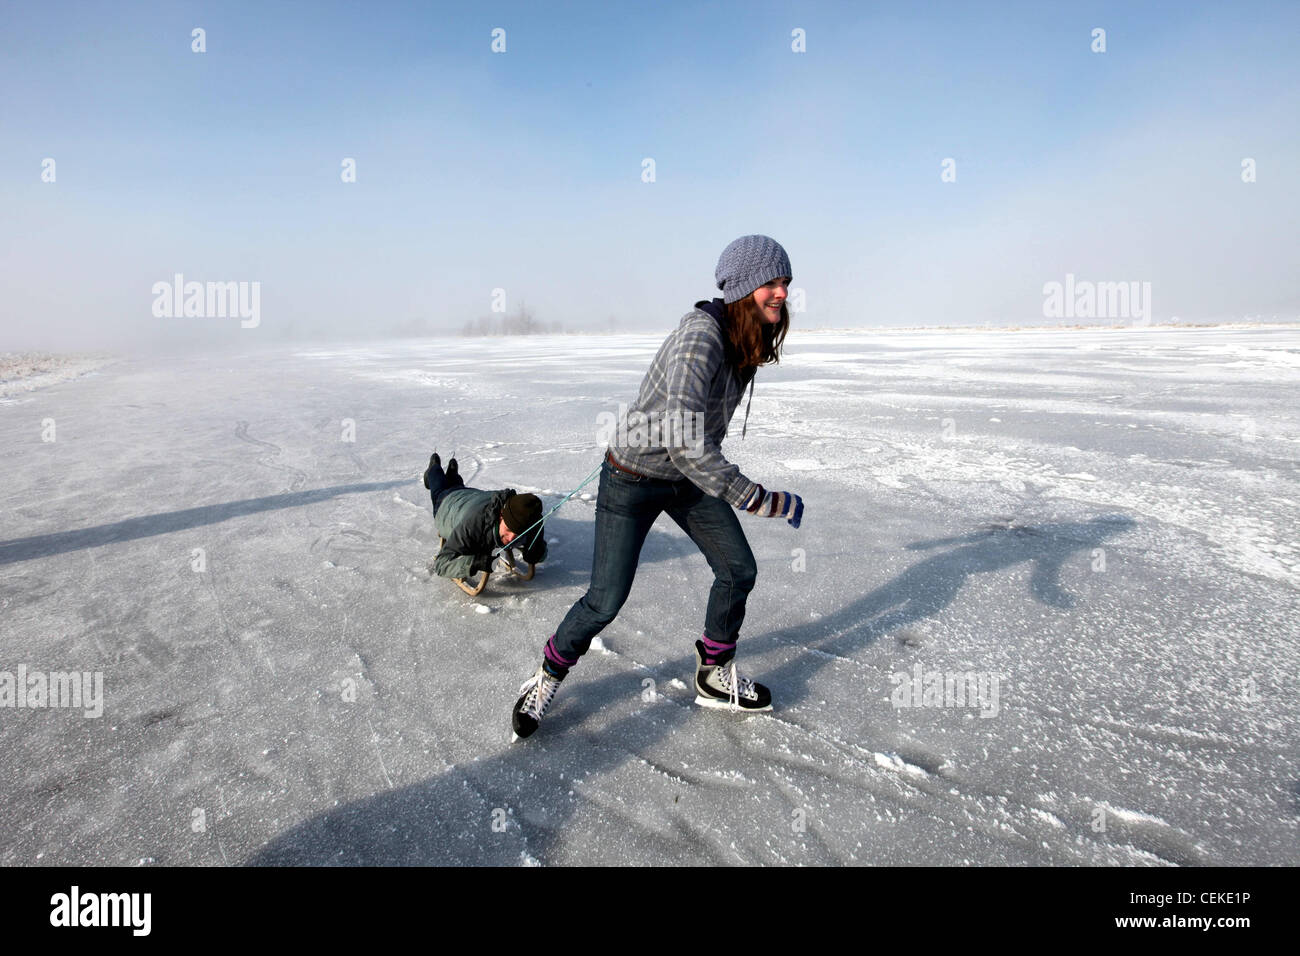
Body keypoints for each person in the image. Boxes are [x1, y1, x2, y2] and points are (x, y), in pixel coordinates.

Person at [511, 235, 804, 739]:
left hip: (687, 480)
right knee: (606, 598)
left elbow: (695, 447)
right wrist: (754, 496)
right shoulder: (702, 336)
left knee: (738, 570)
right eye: (770, 283)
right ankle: (547, 674)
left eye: (784, 283)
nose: (780, 292)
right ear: (743, 286)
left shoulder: (744, 337)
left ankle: (714, 674)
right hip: (634, 476)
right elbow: (685, 440)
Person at [423, 453, 547, 581]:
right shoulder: (472, 526)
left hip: (470, 495)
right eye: (509, 530)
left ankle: (453, 474)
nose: (511, 538)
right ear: (500, 517)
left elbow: (539, 542)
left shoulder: (530, 519)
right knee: (438, 487)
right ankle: (434, 467)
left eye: (518, 534)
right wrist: (474, 563)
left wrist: (537, 551)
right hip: (446, 503)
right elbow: (441, 564)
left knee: (457, 486)